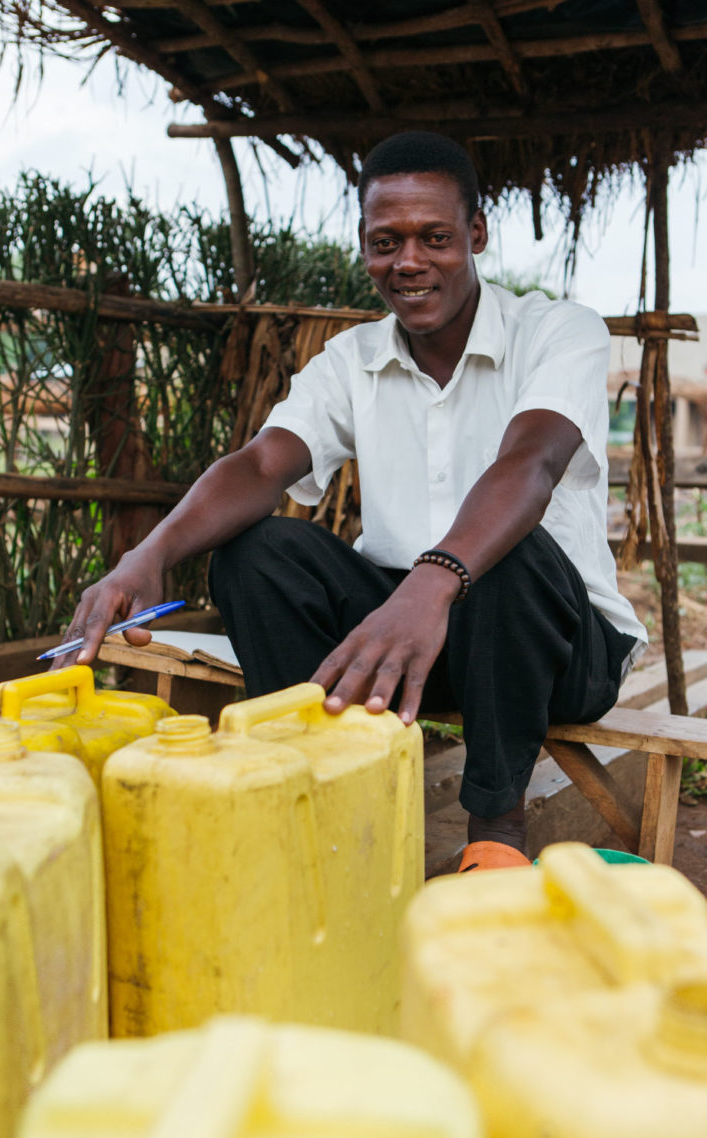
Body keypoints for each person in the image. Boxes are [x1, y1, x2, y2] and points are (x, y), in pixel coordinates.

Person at [55, 131, 646, 871]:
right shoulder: (353, 359)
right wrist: (148, 555)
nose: (408, 262)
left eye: (434, 237)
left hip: (557, 644)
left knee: (508, 551)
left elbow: (533, 461)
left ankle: (495, 837)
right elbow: (263, 462)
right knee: (257, 553)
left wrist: (433, 581)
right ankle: (313, 787)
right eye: (385, 241)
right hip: (410, 637)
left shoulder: (559, 330)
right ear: (364, 247)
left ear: (477, 234)